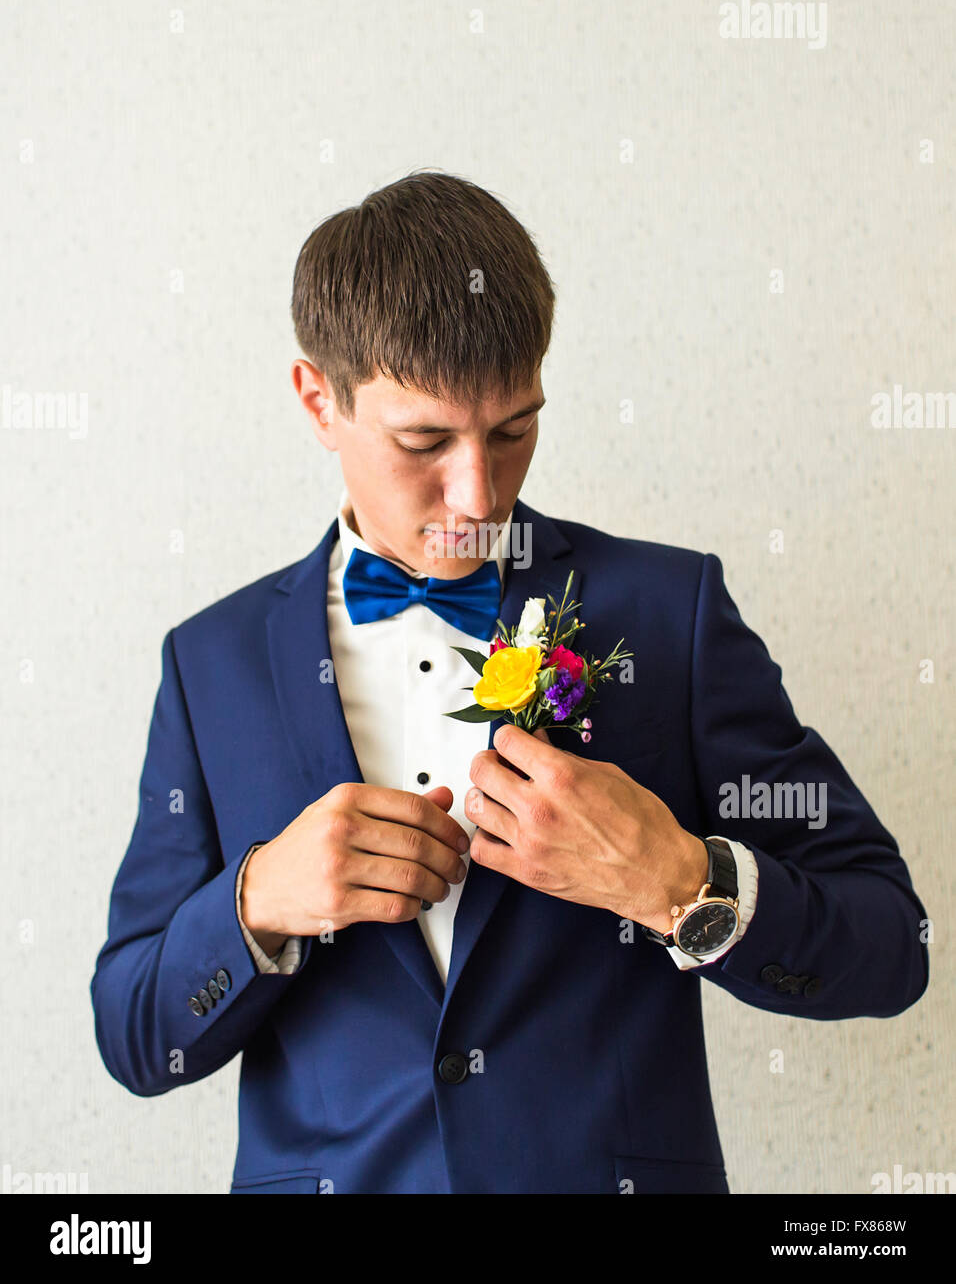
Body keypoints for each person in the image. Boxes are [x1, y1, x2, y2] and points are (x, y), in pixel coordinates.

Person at [90, 170, 929, 1194]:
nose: (478, 494)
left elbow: (890, 945)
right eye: (423, 441)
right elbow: (133, 1033)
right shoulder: (207, 663)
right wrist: (258, 901)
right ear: (318, 399)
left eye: (512, 429)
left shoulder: (672, 614)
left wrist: (680, 884)